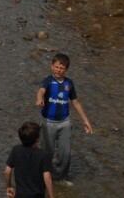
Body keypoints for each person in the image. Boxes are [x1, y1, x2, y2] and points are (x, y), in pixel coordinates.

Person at [37, 52, 92, 183]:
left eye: (62, 68)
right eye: (56, 67)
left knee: (66, 154)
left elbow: (76, 102)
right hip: (48, 122)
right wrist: (39, 99)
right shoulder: (48, 81)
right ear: (52, 66)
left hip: (64, 123)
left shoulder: (69, 83)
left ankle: (61, 178)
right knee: (46, 154)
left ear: (66, 69)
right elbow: (41, 91)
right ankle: (43, 177)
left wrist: (86, 121)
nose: (58, 70)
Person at [4, 121, 55, 198]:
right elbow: (47, 178)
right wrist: (52, 196)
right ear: (37, 139)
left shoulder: (16, 150)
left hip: (20, 195)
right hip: (37, 195)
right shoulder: (43, 155)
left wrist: (9, 186)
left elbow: (7, 171)